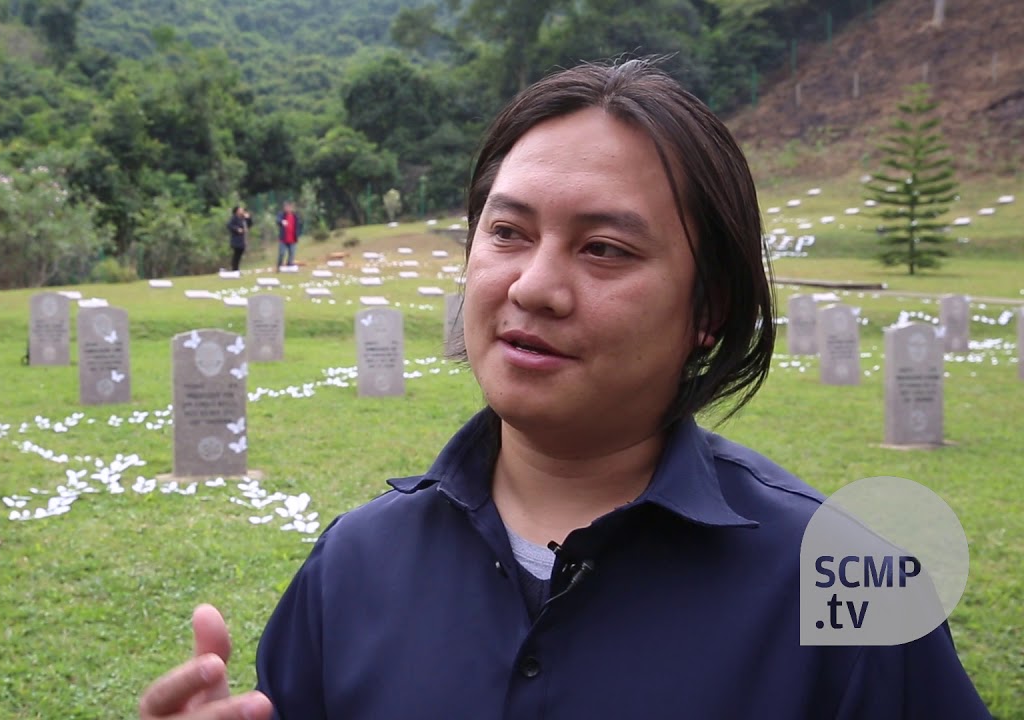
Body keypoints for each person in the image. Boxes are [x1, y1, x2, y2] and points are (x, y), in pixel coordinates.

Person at [139, 59, 991, 720]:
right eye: (508, 232)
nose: (534, 286)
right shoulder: (354, 568)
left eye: (604, 249)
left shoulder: (844, 585)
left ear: (709, 309)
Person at [274, 201, 301, 270]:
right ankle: (279, 266)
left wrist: (297, 234)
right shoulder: (281, 214)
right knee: (282, 253)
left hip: (292, 238)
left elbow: (298, 226)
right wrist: (281, 221)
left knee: (292, 253)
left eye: (289, 207)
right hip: (284, 239)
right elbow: (277, 220)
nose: (288, 208)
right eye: (286, 207)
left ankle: (289, 265)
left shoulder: (295, 216)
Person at [226, 205, 252, 272]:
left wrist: (248, 218)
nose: (242, 211)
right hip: (236, 239)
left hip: (243, 239)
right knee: (236, 255)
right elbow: (229, 225)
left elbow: (249, 225)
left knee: (240, 254)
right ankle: (234, 269)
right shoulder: (234, 218)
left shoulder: (243, 218)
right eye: (240, 210)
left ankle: (236, 269)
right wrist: (237, 229)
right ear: (237, 211)